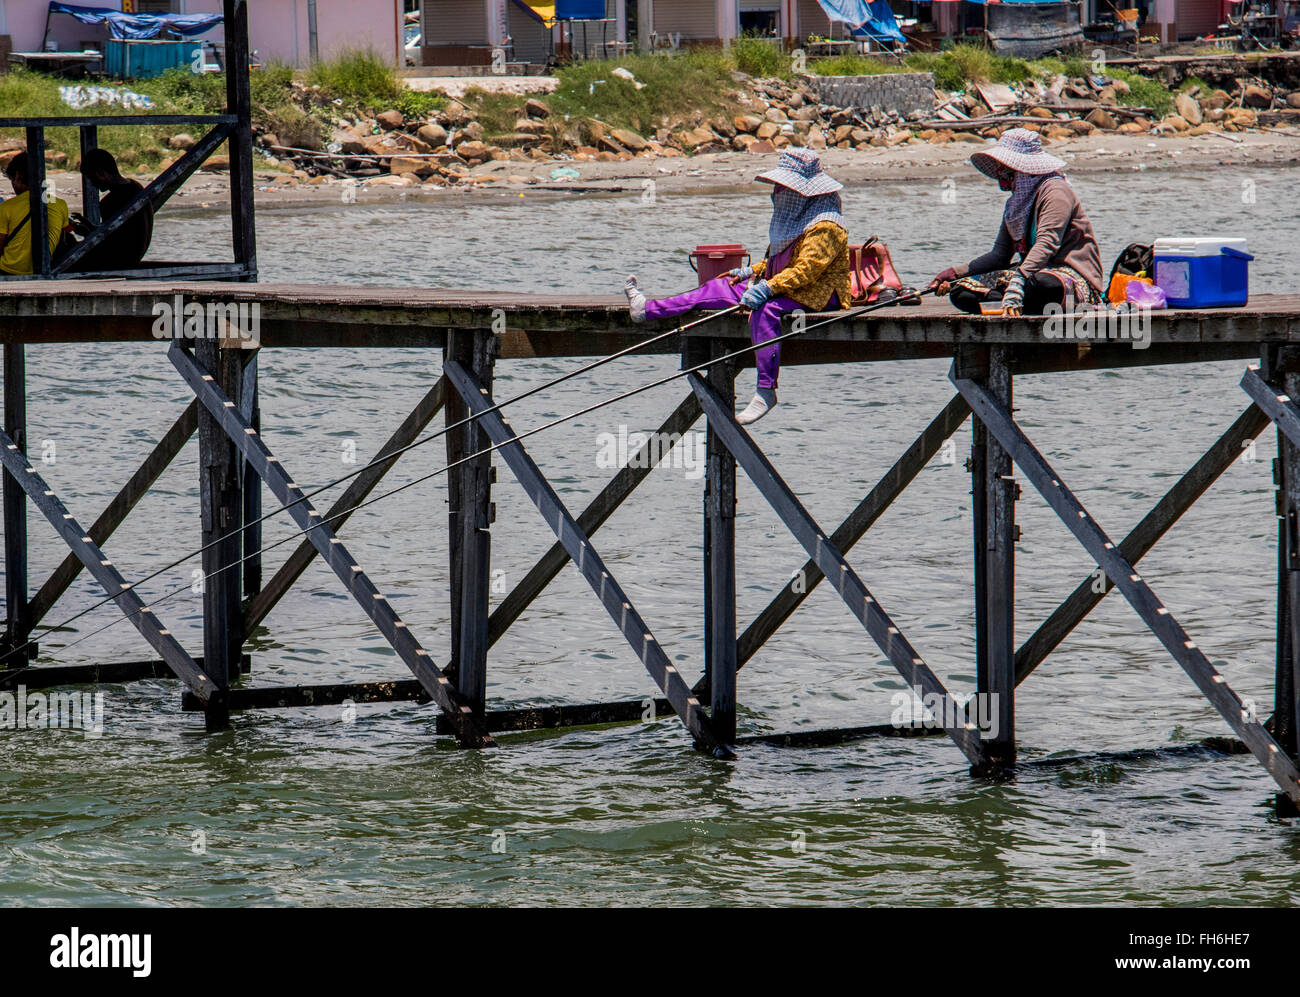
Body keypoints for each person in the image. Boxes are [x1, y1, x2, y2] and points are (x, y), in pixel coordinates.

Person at [624, 148, 851, 426]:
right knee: (717, 288)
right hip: (781, 284)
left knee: (765, 311)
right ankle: (645, 309)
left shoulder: (826, 224)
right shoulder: (793, 218)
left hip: (817, 293)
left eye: (783, 187)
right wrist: (750, 272)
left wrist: (765, 289)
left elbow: (805, 271)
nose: (777, 192)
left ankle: (766, 390)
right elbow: (777, 262)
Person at [928, 129, 1104, 317]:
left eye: (1007, 171)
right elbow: (1000, 255)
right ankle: (1009, 299)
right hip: (1030, 274)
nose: (1002, 177)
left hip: (1067, 275)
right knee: (960, 291)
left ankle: (1007, 298)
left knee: (1043, 285)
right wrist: (956, 273)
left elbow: (1047, 243)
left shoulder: (1055, 191)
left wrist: (1019, 281)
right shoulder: (1015, 205)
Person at [69, 147, 153, 272]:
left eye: (92, 179)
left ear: (101, 174)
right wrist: (89, 227)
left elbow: (108, 245)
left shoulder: (111, 201)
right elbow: (119, 235)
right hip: (134, 257)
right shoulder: (136, 186)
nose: (93, 184)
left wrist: (87, 233)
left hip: (119, 262)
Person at [0, 153, 72, 276]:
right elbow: (64, 238)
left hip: (8, 271)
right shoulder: (60, 204)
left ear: (18, 176)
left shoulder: (7, 207)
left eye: (12, 180)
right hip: (47, 270)